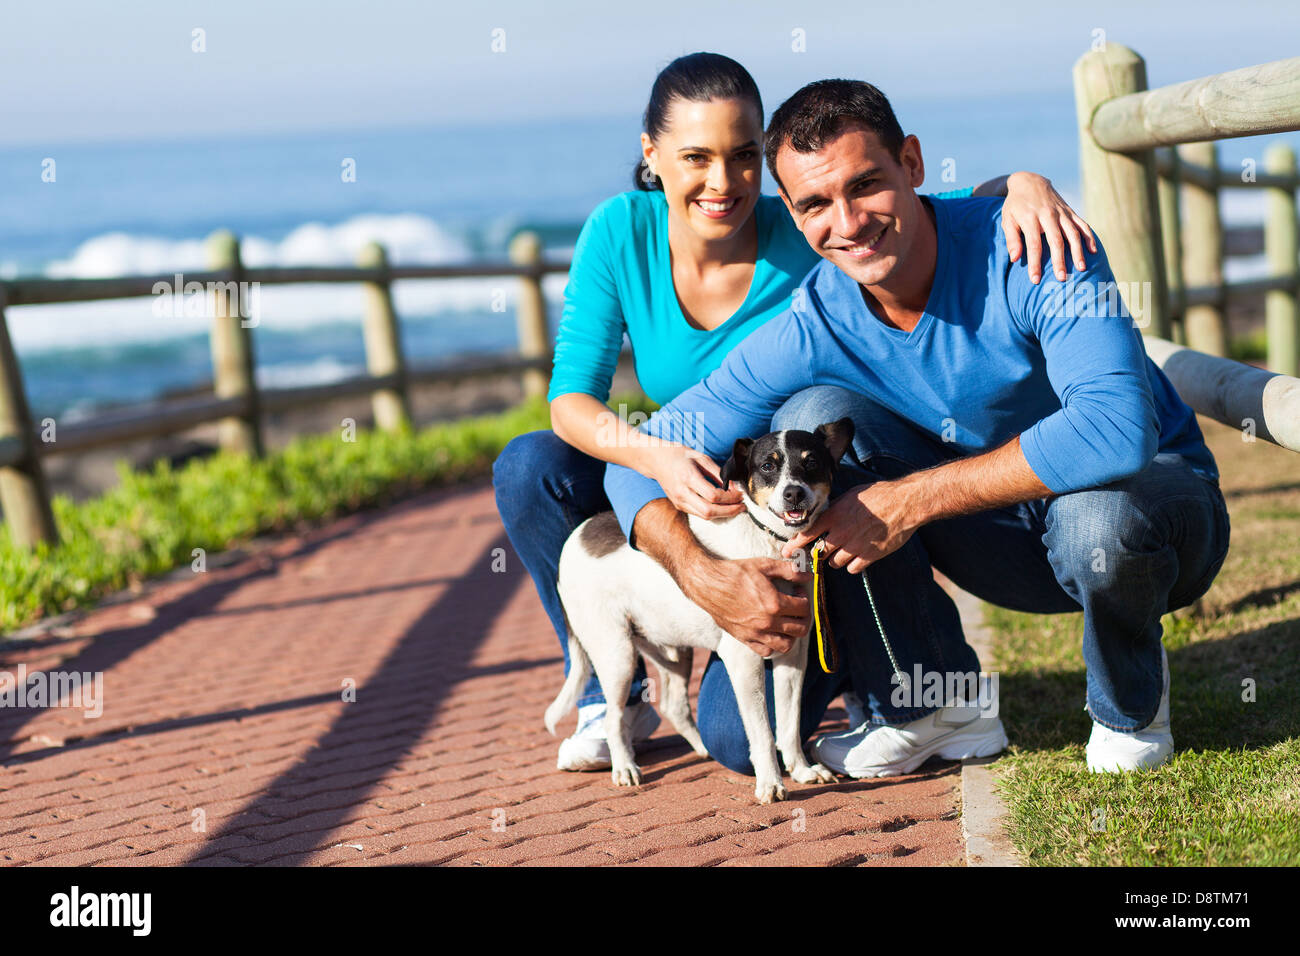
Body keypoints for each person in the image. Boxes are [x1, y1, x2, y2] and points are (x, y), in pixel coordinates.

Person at [602, 77, 1229, 777]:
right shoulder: (816, 321)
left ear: (912, 163)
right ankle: (932, 707)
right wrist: (697, 571)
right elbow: (636, 453)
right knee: (806, 425)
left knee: (1096, 518)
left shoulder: (1034, 243)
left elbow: (1115, 429)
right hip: (997, 541)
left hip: (1150, 511)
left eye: (865, 185)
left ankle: (1131, 705)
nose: (847, 222)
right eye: (814, 203)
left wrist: (908, 500)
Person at [493, 53, 1098, 773]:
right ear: (652, 156)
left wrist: (1026, 185)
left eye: (745, 157)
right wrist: (654, 463)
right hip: (693, 468)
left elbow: (932, 196)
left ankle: (873, 665)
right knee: (533, 465)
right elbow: (571, 401)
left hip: (798, 492)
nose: (724, 183)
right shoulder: (619, 231)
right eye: (696, 158)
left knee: (730, 741)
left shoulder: (820, 225)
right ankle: (606, 687)